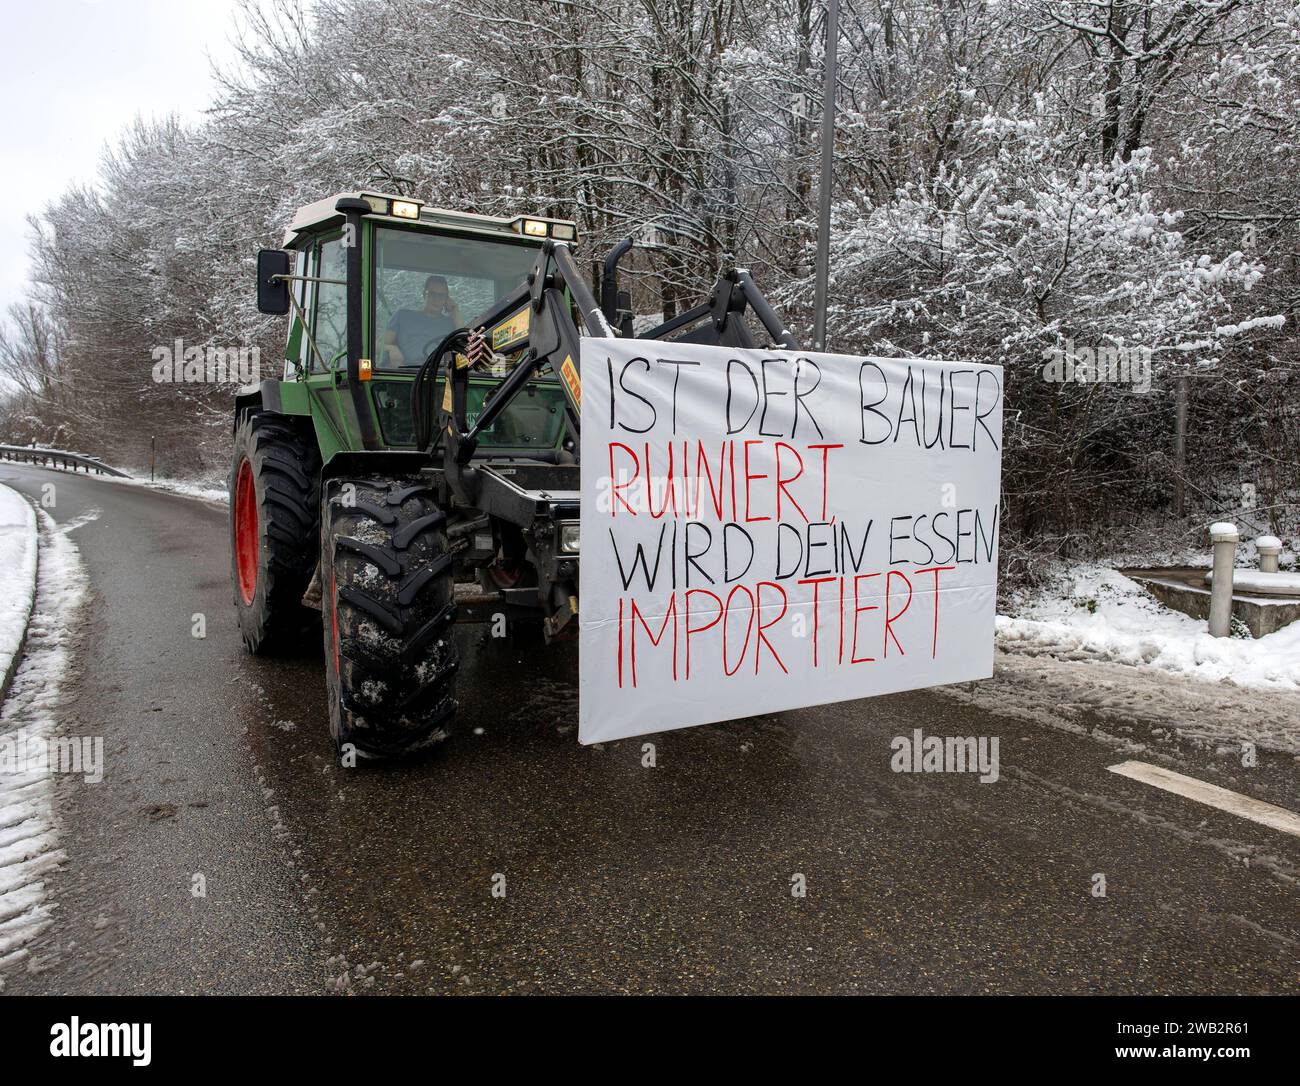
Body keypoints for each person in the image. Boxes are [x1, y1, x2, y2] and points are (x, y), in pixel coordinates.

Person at [383, 275, 463, 366]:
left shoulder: (452, 323)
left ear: (447, 299)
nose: (436, 299)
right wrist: (391, 348)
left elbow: (464, 350)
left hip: (439, 373)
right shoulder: (402, 316)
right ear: (424, 294)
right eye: (432, 293)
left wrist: (455, 311)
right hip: (407, 373)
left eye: (441, 295)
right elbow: (377, 346)